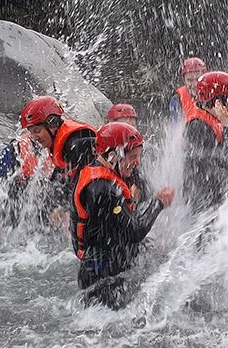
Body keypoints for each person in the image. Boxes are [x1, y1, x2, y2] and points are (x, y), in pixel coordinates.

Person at [71, 122, 175, 309]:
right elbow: (133, 232)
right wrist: (158, 203)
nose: (137, 163)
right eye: (133, 157)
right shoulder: (104, 190)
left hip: (111, 265)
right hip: (102, 278)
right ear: (113, 155)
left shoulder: (101, 171)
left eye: (139, 156)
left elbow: (118, 231)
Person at [184, 71, 228, 211]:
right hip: (205, 202)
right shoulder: (197, 126)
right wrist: (227, 126)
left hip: (219, 196)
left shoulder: (218, 119)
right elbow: (226, 157)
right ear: (218, 103)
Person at [17, 96, 97, 205]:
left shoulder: (78, 144)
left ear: (52, 124)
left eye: (37, 131)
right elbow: (61, 174)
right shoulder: (60, 142)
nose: (34, 137)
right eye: (32, 133)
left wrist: (62, 208)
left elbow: (92, 183)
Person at [168, 56, 206, 122]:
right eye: (190, 80)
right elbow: (175, 127)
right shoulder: (177, 100)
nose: (194, 84)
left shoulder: (215, 95)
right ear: (184, 80)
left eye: (198, 79)